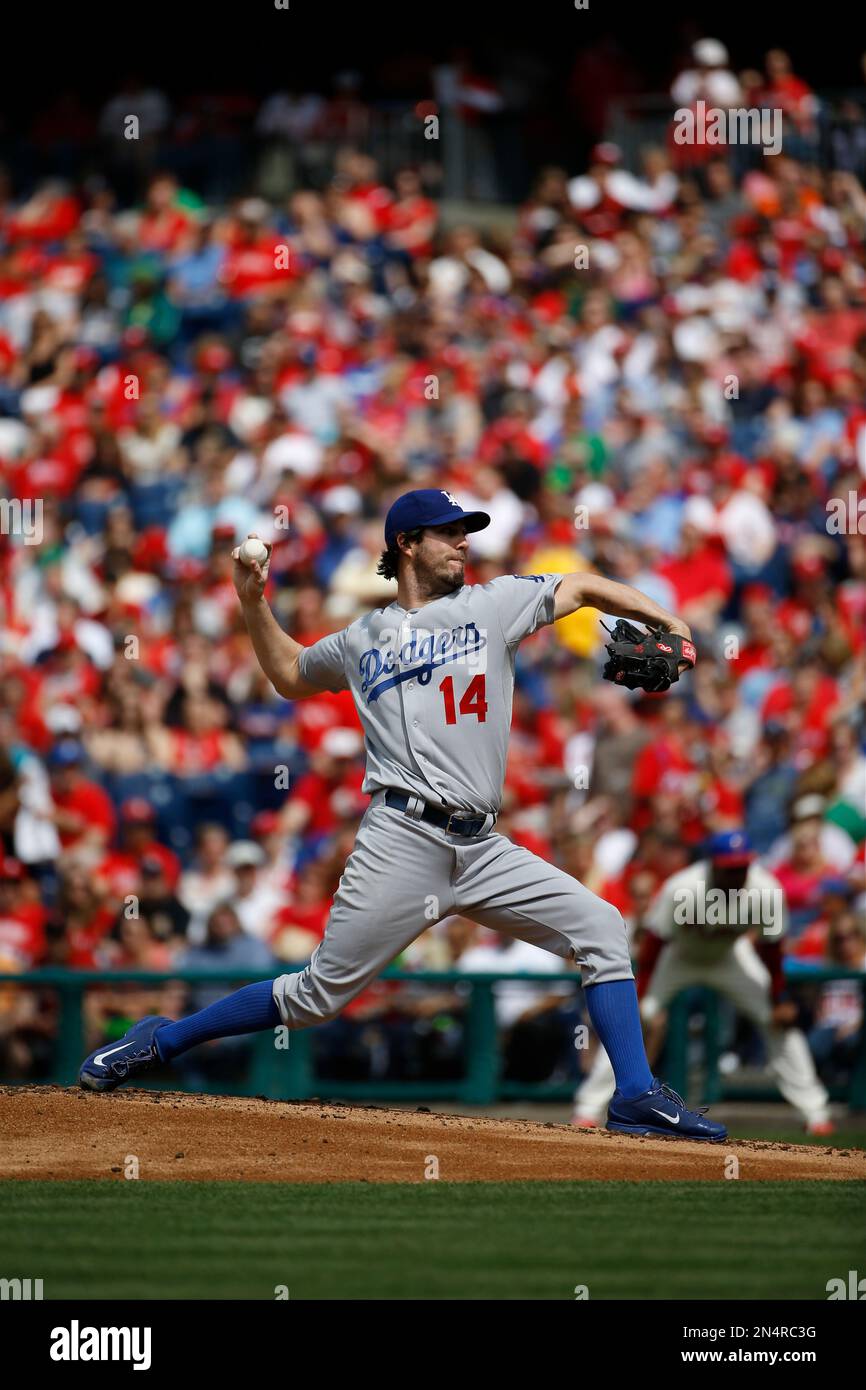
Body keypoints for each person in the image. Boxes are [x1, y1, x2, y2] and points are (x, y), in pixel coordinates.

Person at [80, 488, 727, 1141]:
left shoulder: (493, 604)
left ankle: (636, 1093)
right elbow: (290, 674)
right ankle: (160, 1042)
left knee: (604, 928)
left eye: (466, 531)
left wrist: (672, 623)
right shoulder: (365, 636)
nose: (463, 542)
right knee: (314, 999)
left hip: (482, 846)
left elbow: (584, 586)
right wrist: (253, 601)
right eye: (448, 532)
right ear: (407, 545)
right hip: (403, 837)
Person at [572, 830, 833, 1135]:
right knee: (634, 1019)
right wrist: (640, 995)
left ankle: (816, 1113)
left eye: (741, 866)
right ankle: (588, 1108)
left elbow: (771, 950)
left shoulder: (766, 890)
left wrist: (778, 997)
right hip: (679, 958)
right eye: (729, 866)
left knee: (775, 1021)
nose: (736, 873)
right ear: (713, 864)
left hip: (730, 957)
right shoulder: (683, 887)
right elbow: (656, 944)